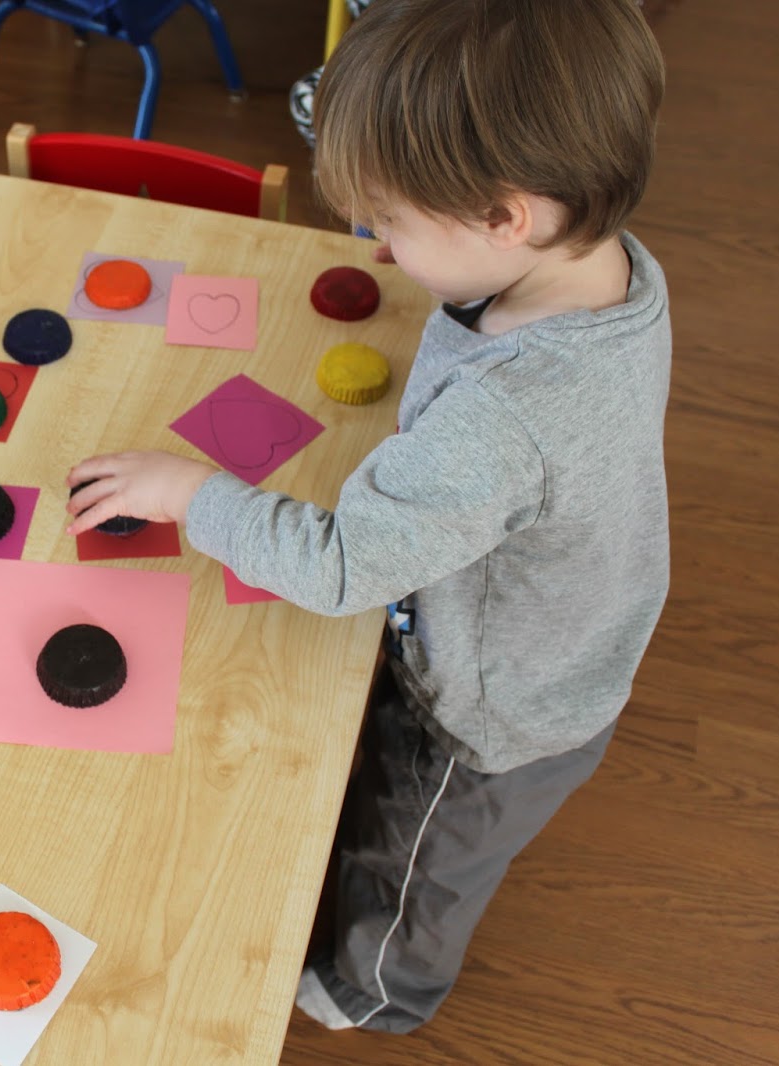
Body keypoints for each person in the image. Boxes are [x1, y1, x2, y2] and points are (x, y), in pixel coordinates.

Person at [65, 0, 669, 1034]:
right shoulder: (606, 264)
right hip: (551, 620)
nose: (373, 247)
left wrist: (187, 495)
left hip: (490, 713)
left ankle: (370, 989)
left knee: (412, 858)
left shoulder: (506, 421)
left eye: (390, 220)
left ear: (504, 217)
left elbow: (344, 570)